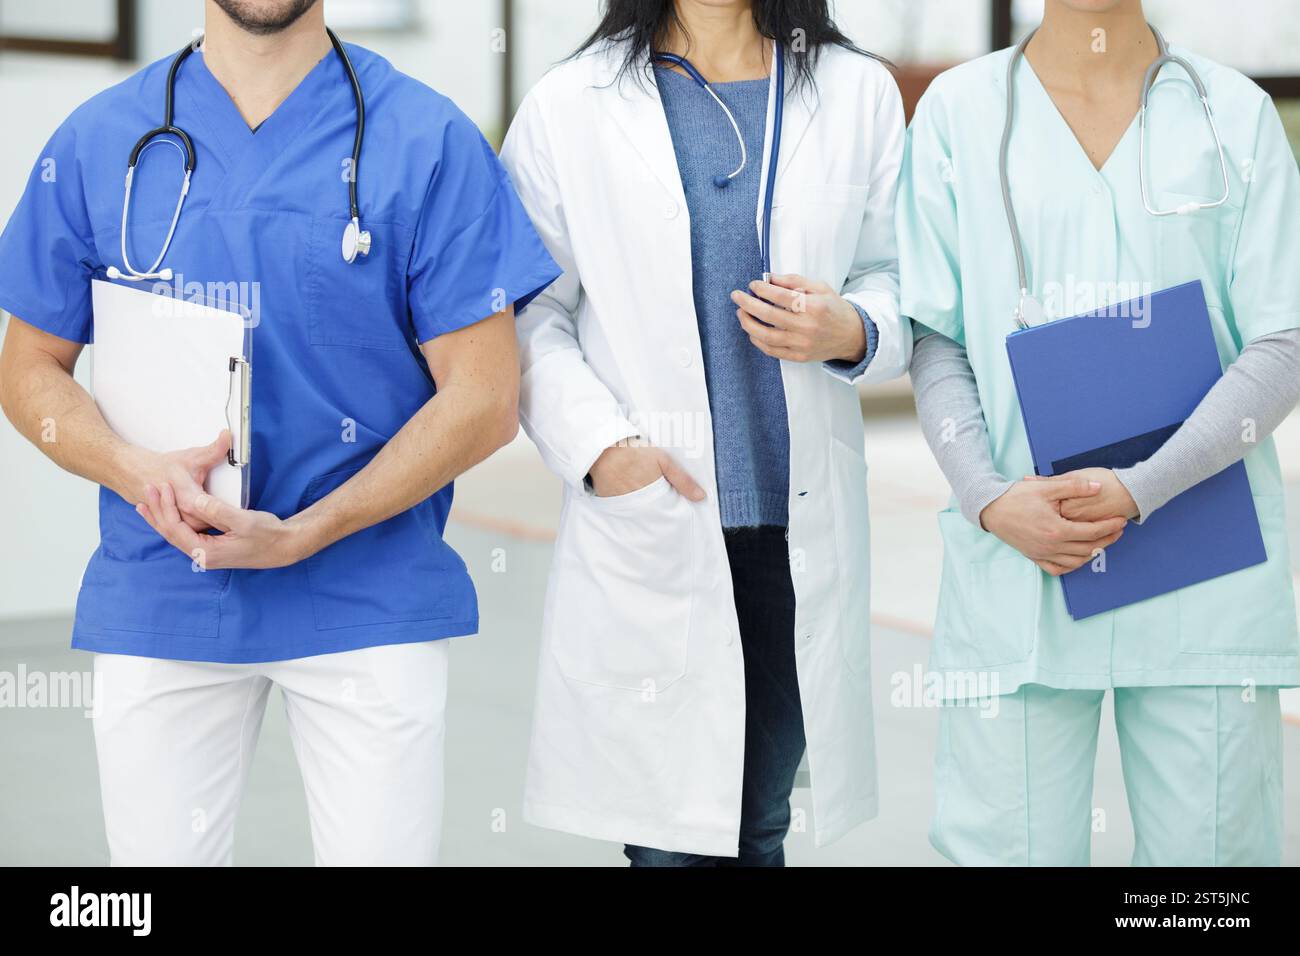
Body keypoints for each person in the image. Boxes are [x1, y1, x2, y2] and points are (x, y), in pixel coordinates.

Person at [0, 0, 559, 865]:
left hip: (368, 590)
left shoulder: (428, 141)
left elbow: (485, 398)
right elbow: (29, 367)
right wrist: (134, 468)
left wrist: (309, 531)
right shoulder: (97, 141)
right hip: (166, 586)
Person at [500, 0, 909, 866]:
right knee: (670, 843)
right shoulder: (571, 103)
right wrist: (605, 453)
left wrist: (856, 328)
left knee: (756, 826)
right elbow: (528, 312)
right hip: (661, 513)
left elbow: (896, 269)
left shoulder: (856, 90)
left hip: (789, 529)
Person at [898, 0, 1300, 866]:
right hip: (1022, 555)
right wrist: (987, 497)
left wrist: (1143, 487)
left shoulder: (1233, 113)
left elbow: (1285, 341)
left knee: (1211, 884)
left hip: (1204, 564)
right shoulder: (959, 115)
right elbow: (932, 333)